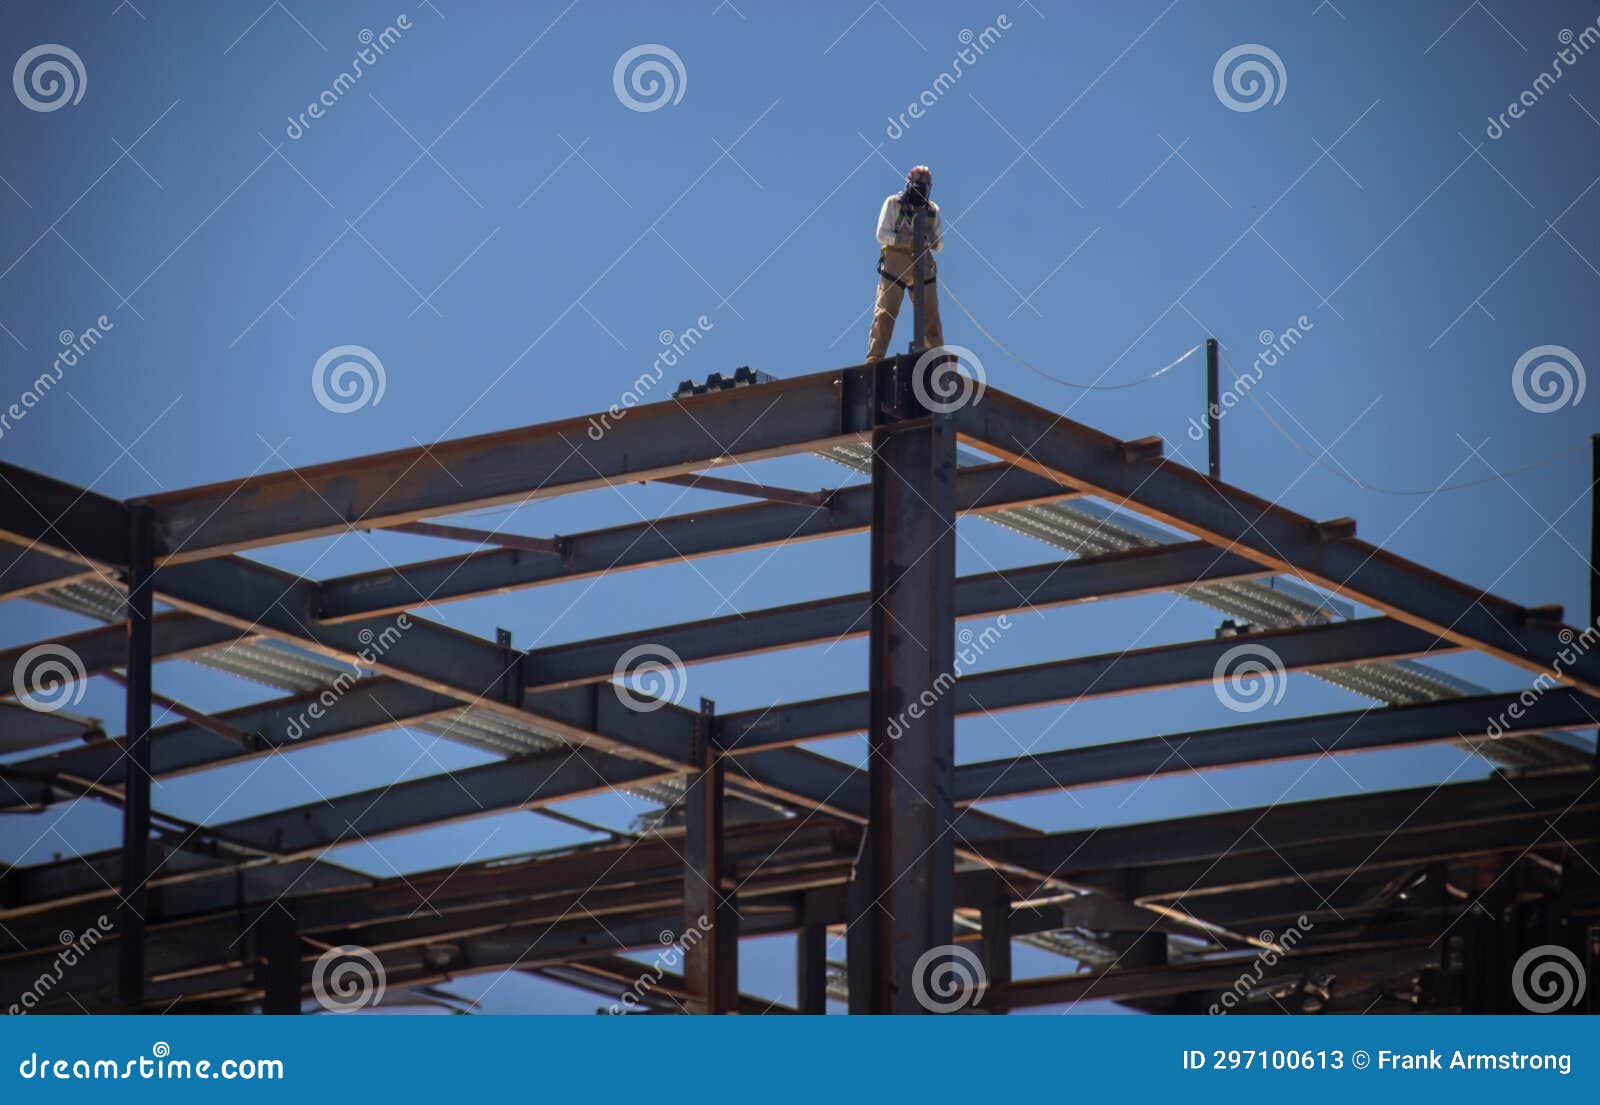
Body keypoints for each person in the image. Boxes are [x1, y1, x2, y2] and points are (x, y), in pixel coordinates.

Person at [865, 165, 944, 362]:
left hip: (922, 261)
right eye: (917, 184)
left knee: (930, 314)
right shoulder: (894, 203)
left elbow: (939, 244)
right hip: (896, 262)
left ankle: (935, 357)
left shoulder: (932, 211)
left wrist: (930, 239)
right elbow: (881, 234)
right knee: (886, 311)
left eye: (924, 186)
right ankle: (875, 356)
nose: (920, 190)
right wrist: (904, 240)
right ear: (909, 184)